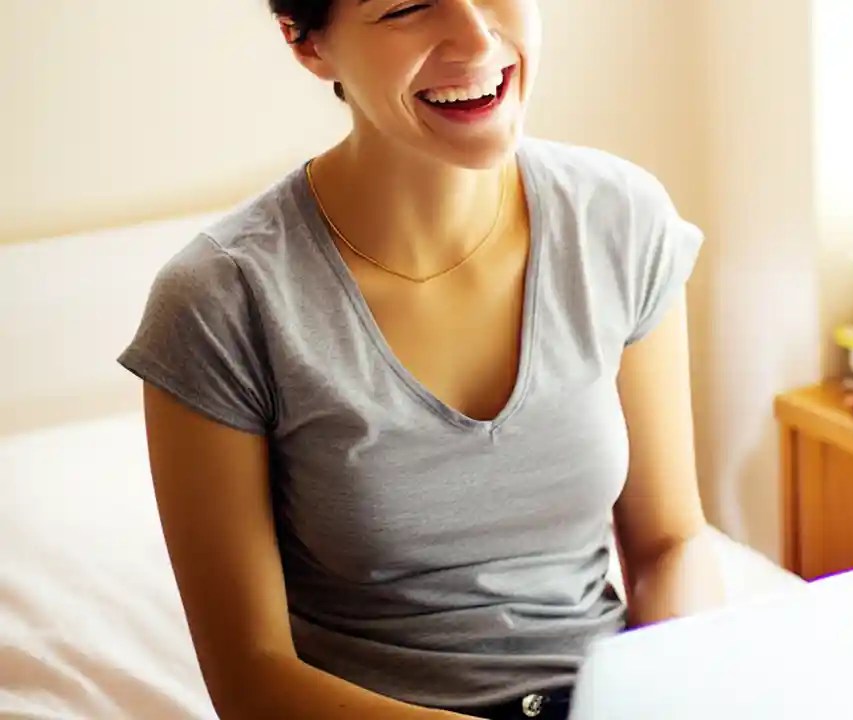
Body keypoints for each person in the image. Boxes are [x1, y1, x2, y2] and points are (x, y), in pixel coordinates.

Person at [119, 1, 724, 718]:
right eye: (407, 6)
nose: (476, 37)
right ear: (306, 43)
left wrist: (677, 691)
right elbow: (252, 681)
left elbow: (669, 543)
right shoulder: (224, 300)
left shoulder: (620, 219)